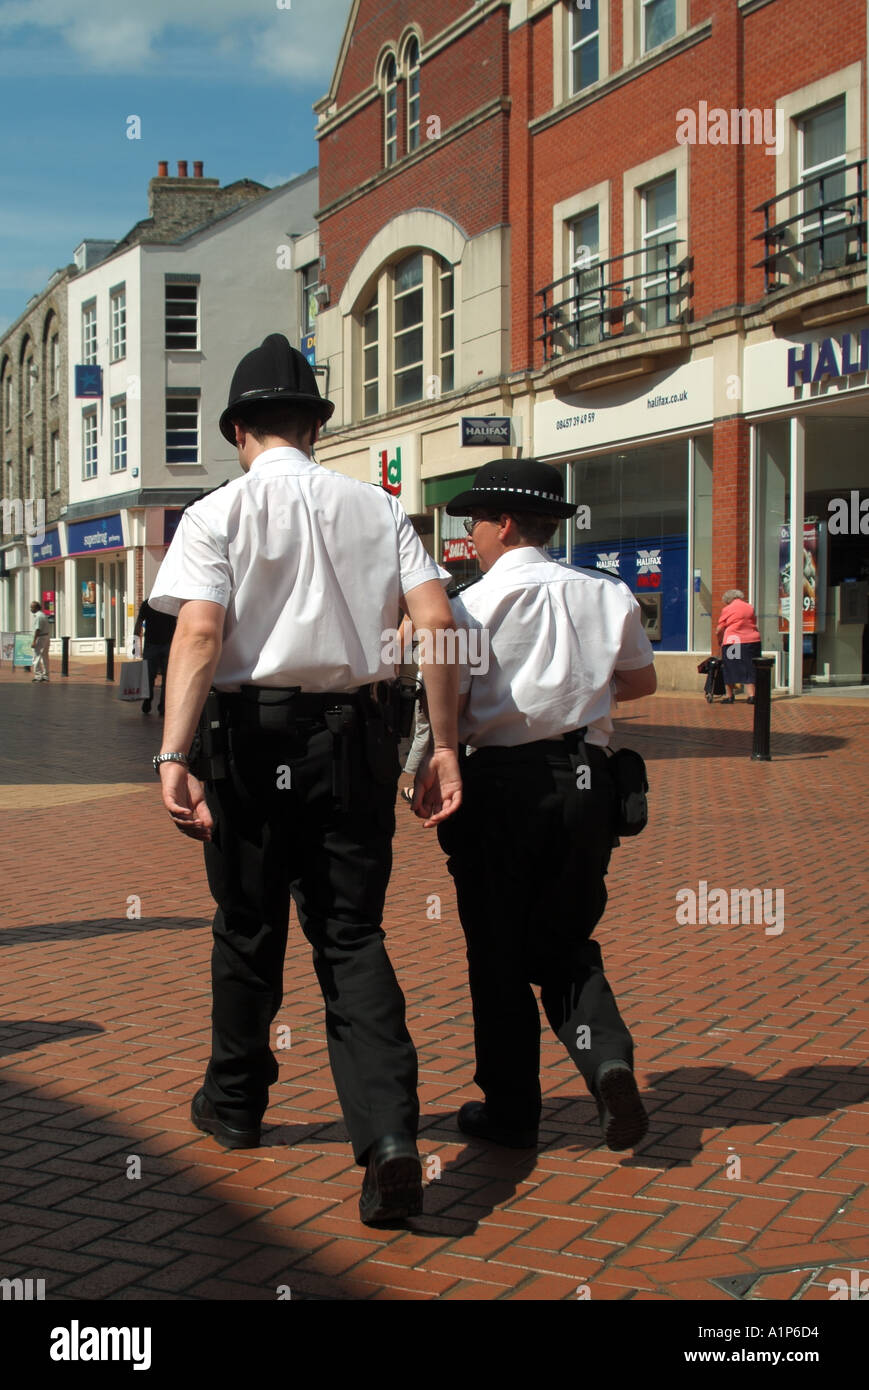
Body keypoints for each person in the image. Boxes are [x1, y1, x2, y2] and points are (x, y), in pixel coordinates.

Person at [148, 333, 462, 1224]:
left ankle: (236, 1107)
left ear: (240, 428)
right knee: (351, 936)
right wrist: (441, 744)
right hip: (354, 741)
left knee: (248, 927)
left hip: (252, 740)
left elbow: (200, 636)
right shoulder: (379, 508)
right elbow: (435, 620)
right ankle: (391, 1135)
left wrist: (174, 754)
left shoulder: (216, 514)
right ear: (315, 428)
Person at [416, 458, 656, 1153]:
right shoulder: (604, 593)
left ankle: (512, 1110)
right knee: (564, 943)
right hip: (585, 783)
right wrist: (578, 689)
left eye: (476, 522)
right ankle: (605, 1059)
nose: (470, 536)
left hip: (496, 786)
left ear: (507, 523)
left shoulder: (467, 606)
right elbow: (638, 682)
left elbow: (450, 706)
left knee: (495, 955)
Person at [716, 588, 762, 704]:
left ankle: (729, 696)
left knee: (731, 667)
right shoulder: (749, 607)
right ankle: (752, 695)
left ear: (728, 600)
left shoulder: (728, 609)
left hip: (734, 642)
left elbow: (719, 629)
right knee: (750, 667)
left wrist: (719, 640)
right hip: (752, 640)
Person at [133, 599, 177, 716]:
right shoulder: (149, 603)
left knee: (163, 678)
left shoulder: (171, 603)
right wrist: (135, 644)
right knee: (151, 676)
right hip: (155, 645)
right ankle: (150, 700)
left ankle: (162, 705)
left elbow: (138, 623)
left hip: (164, 645)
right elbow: (139, 622)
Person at [30, 601, 51, 682]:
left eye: (32, 607)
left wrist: (34, 641)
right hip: (46, 636)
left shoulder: (38, 616)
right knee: (45, 657)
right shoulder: (43, 615)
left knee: (36, 657)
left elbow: (37, 629)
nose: (31, 609)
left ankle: (38, 676)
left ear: (36, 608)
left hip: (41, 637)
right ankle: (46, 676)